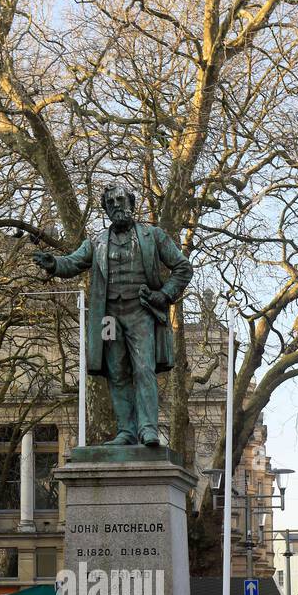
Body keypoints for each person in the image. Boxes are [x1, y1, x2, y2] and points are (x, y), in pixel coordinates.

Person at [33, 182, 192, 446]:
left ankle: (148, 429)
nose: (116, 206)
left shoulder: (153, 236)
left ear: (131, 203)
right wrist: (54, 264)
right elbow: (72, 262)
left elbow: (183, 268)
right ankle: (126, 431)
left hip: (141, 311)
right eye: (111, 203)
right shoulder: (97, 242)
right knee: (116, 372)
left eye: (121, 201)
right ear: (106, 210)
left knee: (144, 369)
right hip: (109, 317)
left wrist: (164, 295)